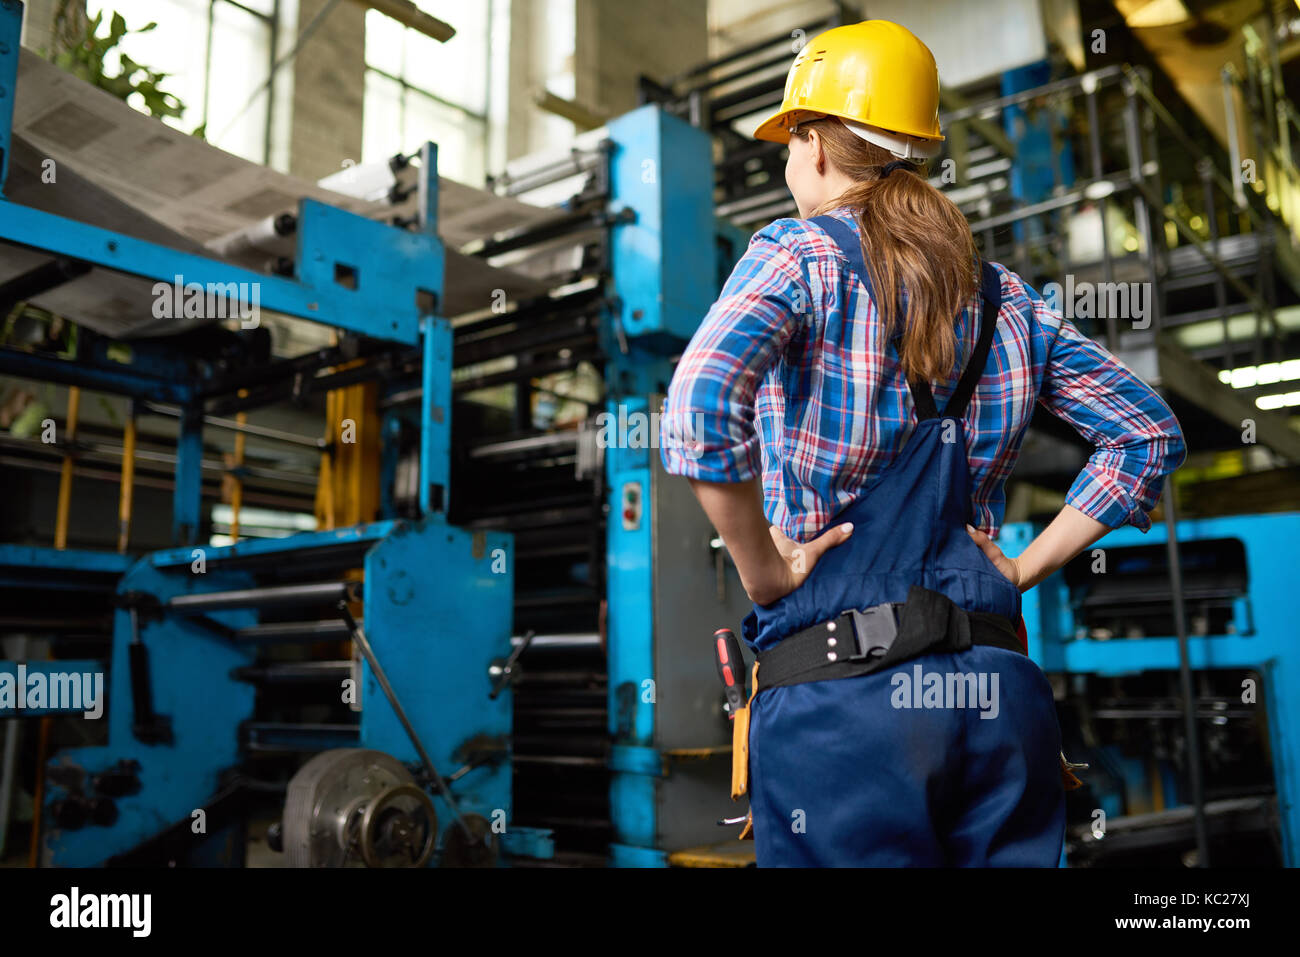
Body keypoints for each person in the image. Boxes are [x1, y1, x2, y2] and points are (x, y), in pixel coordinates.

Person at [659, 19, 1187, 867]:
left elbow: (697, 405)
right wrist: (1026, 565)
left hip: (846, 707)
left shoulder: (797, 257)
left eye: (788, 142)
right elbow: (1146, 432)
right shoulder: (1010, 300)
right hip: (999, 697)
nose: (786, 163)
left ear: (817, 145)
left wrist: (762, 569)